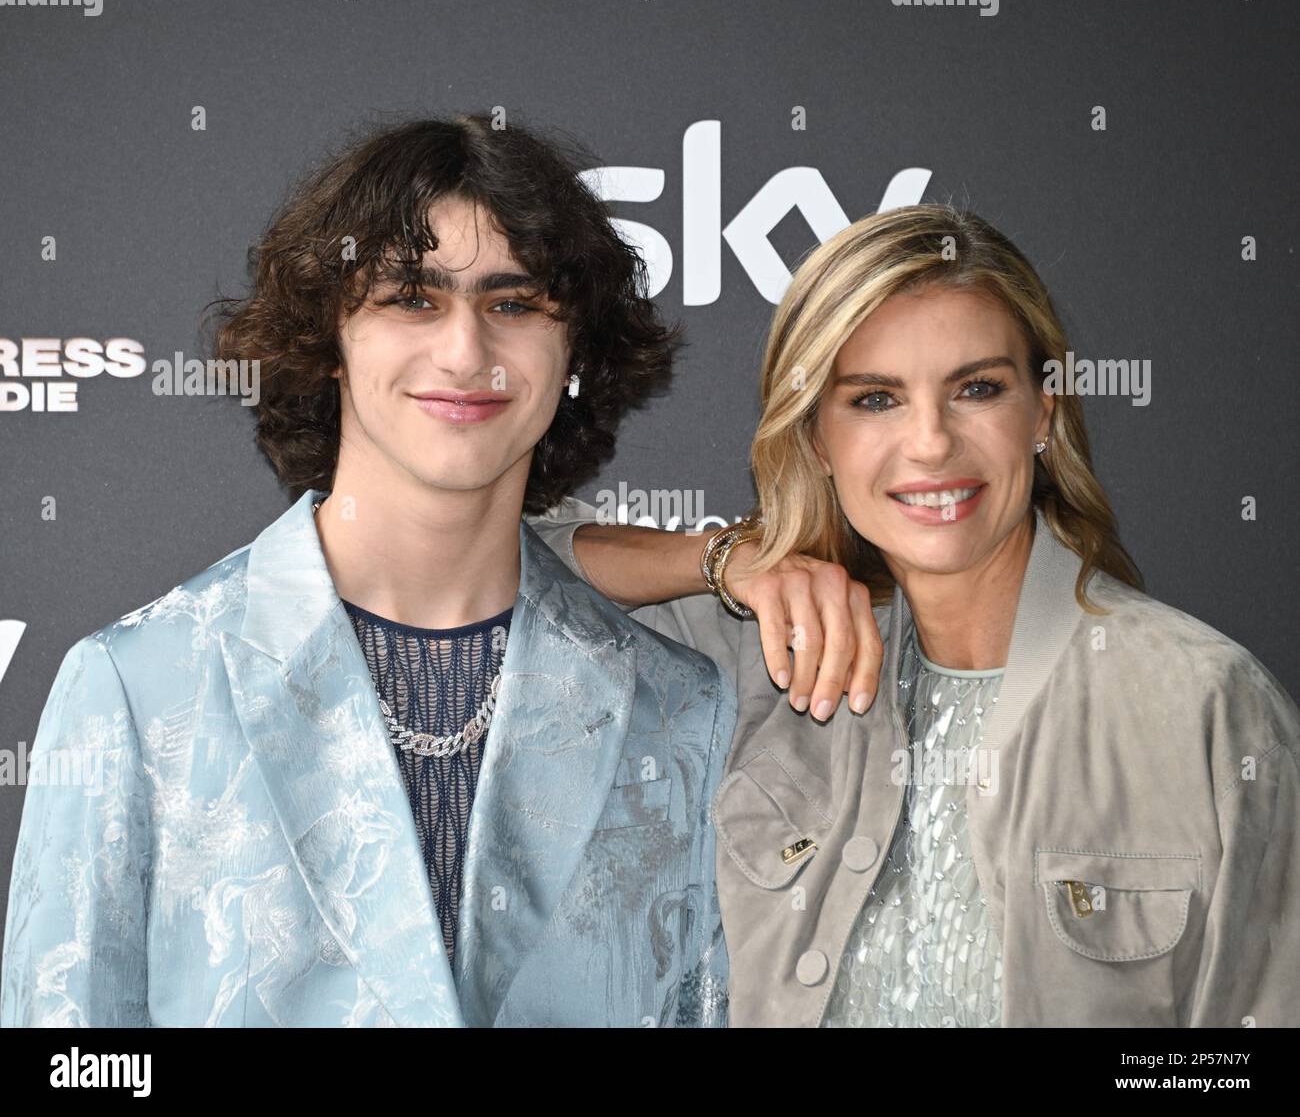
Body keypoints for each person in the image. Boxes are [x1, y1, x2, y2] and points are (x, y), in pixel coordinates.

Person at [1, 113, 775, 1028]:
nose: (464, 351)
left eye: (513, 302)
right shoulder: (138, 690)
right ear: (330, 340)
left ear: (575, 353)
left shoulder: (678, 711)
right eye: (412, 297)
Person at [527, 204, 1300, 1027]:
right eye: (875, 400)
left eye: (977, 389)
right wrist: (723, 558)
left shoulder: (1202, 705)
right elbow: (500, 565)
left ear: (1042, 413)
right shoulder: (766, 653)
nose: (931, 443)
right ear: (817, 438)